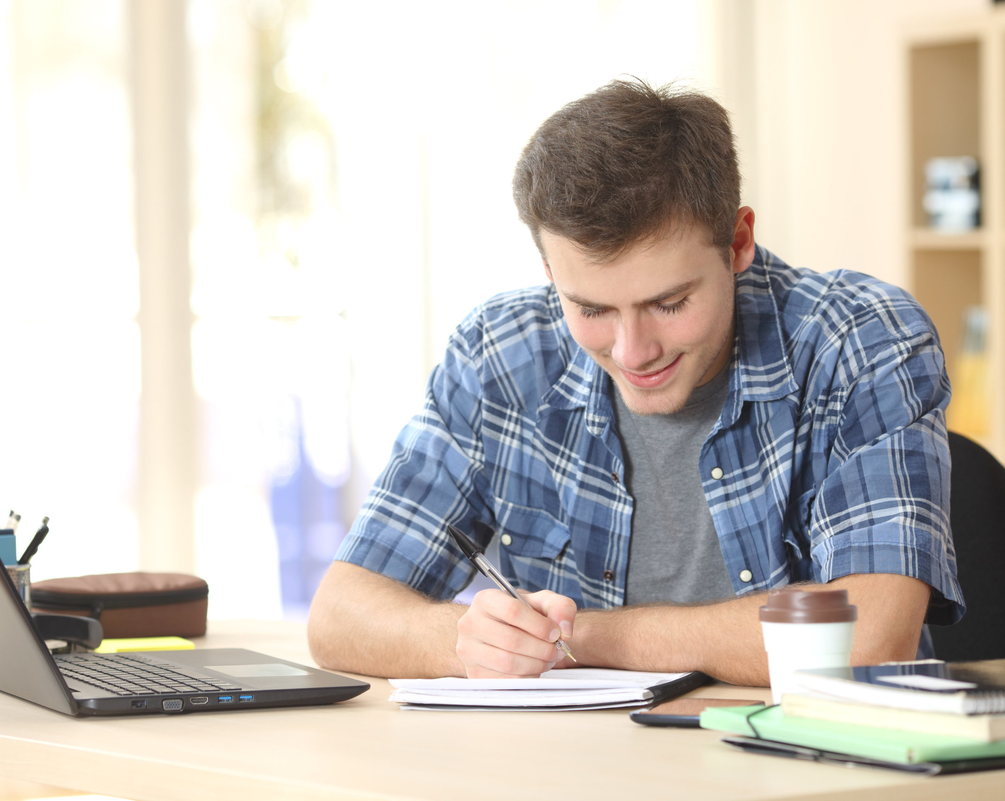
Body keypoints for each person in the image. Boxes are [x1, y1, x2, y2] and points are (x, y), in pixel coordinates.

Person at [307, 79, 963, 685]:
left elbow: (868, 636)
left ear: (738, 243)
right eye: (591, 309)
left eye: (669, 302)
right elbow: (339, 615)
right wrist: (465, 637)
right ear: (548, 267)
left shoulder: (860, 341)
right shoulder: (500, 355)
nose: (633, 351)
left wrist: (580, 636)